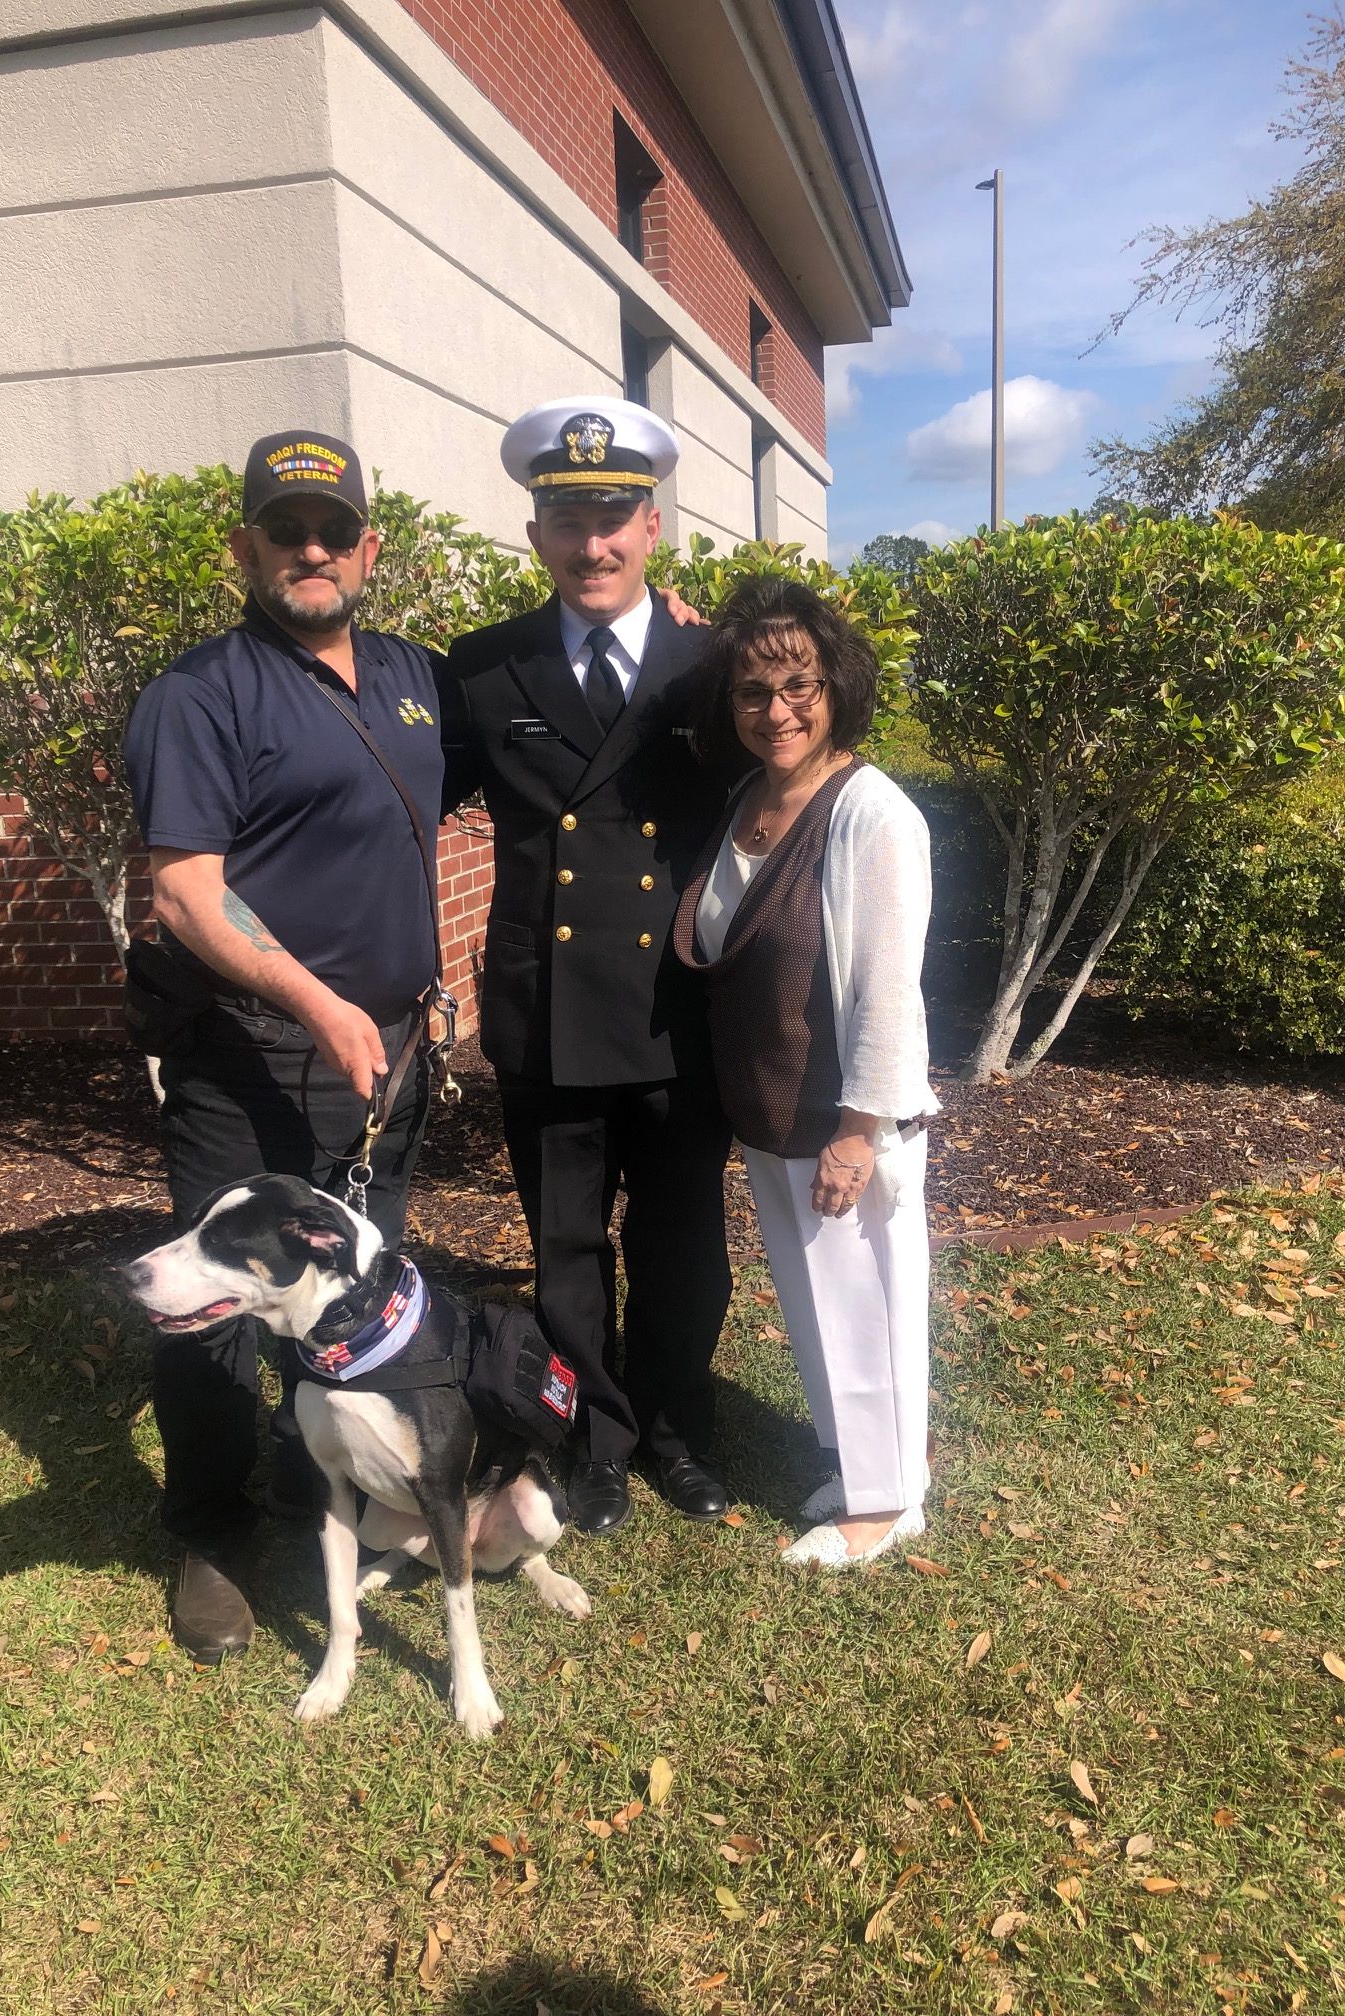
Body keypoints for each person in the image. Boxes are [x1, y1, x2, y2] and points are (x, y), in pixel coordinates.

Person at [122, 430, 444, 1659]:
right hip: (252, 1056)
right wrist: (320, 1002)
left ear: (370, 546)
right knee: (214, 1305)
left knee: (354, 1299)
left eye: (332, 529)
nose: (310, 550)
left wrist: (666, 626)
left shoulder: (415, 677)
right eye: (283, 529)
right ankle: (210, 1534)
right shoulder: (199, 696)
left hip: (390, 1058)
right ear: (244, 548)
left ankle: (333, 1499)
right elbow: (188, 894)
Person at [440, 398, 735, 1537]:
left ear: (652, 527)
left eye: (613, 517)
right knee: (566, 1249)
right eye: (568, 521)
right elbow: (393, 791)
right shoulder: (483, 670)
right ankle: (595, 1440)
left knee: (681, 1245)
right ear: (535, 536)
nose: (592, 543)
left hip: (677, 1009)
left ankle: (675, 1431)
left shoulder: (714, 666)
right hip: (547, 1012)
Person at [672, 576, 940, 1569]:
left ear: (839, 687)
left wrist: (859, 1132)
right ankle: (858, 1461)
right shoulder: (751, 795)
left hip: (841, 1125)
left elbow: (887, 991)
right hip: (771, 1115)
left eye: (799, 685)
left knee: (866, 1303)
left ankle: (885, 1502)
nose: (776, 709)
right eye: (751, 689)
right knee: (818, 1304)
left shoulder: (872, 815)